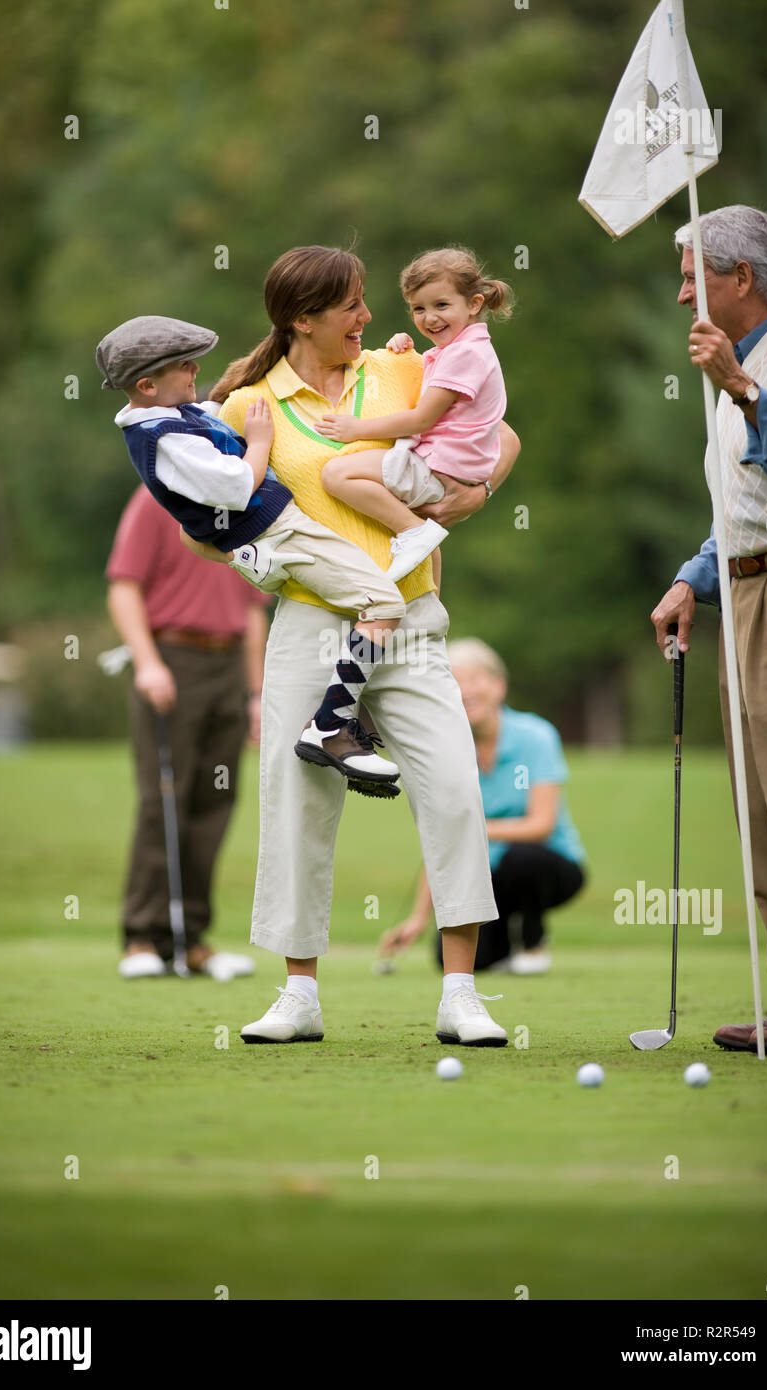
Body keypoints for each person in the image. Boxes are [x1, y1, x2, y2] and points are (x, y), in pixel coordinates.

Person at [195, 244, 521, 1046]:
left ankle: (461, 994)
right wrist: (258, 564)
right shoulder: (248, 403)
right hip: (310, 620)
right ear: (304, 319)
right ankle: (298, 995)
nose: (370, 318)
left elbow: (501, 434)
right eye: (352, 305)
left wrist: (477, 494)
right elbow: (207, 525)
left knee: (451, 788)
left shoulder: (401, 370)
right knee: (298, 800)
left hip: (409, 618)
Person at [96, 314, 427, 788]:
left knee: (365, 602)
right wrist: (260, 443)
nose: (194, 369)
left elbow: (222, 400)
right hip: (273, 531)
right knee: (384, 604)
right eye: (183, 364)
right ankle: (332, 724)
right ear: (147, 384)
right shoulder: (164, 440)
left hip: (268, 532)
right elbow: (235, 486)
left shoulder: (173, 416)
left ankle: (352, 710)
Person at [650, 205, 767, 1056]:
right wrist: (692, 577)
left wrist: (745, 389)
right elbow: (742, 505)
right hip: (743, 594)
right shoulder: (735, 364)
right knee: (759, 802)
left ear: (740, 279)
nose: (683, 298)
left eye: (693, 276)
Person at [105, 482, 267, 980]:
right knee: (164, 800)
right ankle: (142, 937)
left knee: (213, 802)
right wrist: (148, 662)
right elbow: (123, 586)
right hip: (172, 659)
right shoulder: (154, 499)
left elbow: (253, 609)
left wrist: (257, 693)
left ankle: (190, 938)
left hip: (228, 669)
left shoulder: (243, 504)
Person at [378, 639, 586, 974]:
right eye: (455, 681)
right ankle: (507, 945)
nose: (466, 690)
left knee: (522, 859)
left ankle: (533, 939)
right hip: (486, 878)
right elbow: (444, 843)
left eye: (476, 679)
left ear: (499, 686)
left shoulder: (536, 736)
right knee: (453, 958)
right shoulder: (445, 751)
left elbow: (541, 824)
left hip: (550, 867)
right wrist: (418, 918)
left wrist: (476, 829)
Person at [316, 247, 511, 583]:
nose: (429, 318)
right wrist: (409, 350)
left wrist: (356, 429)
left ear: (474, 304)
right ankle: (418, 547)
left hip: (438, 471)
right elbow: (443, 392)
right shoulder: (462, 350)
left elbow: (423, 419)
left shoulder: (464, 355)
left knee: (336, 474)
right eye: (418, 309)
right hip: (449, 470)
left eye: (441, 305)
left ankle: (412, 530)